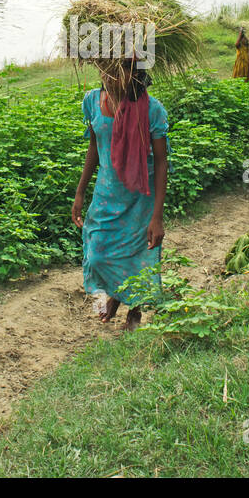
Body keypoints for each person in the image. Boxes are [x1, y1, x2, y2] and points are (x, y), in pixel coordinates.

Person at [72, 59, 169, 331]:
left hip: (141, 196)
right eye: (104, 70)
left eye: (116, 71)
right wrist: (80, 192)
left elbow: (162, 162)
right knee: (98, 254)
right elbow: (94, 147)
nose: (107, 76)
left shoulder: (151, 110)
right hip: (106, 193)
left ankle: (134, 310)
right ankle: (115, 294)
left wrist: (157, 216)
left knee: (139, 254)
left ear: (132, 74)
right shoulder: (92, 101)